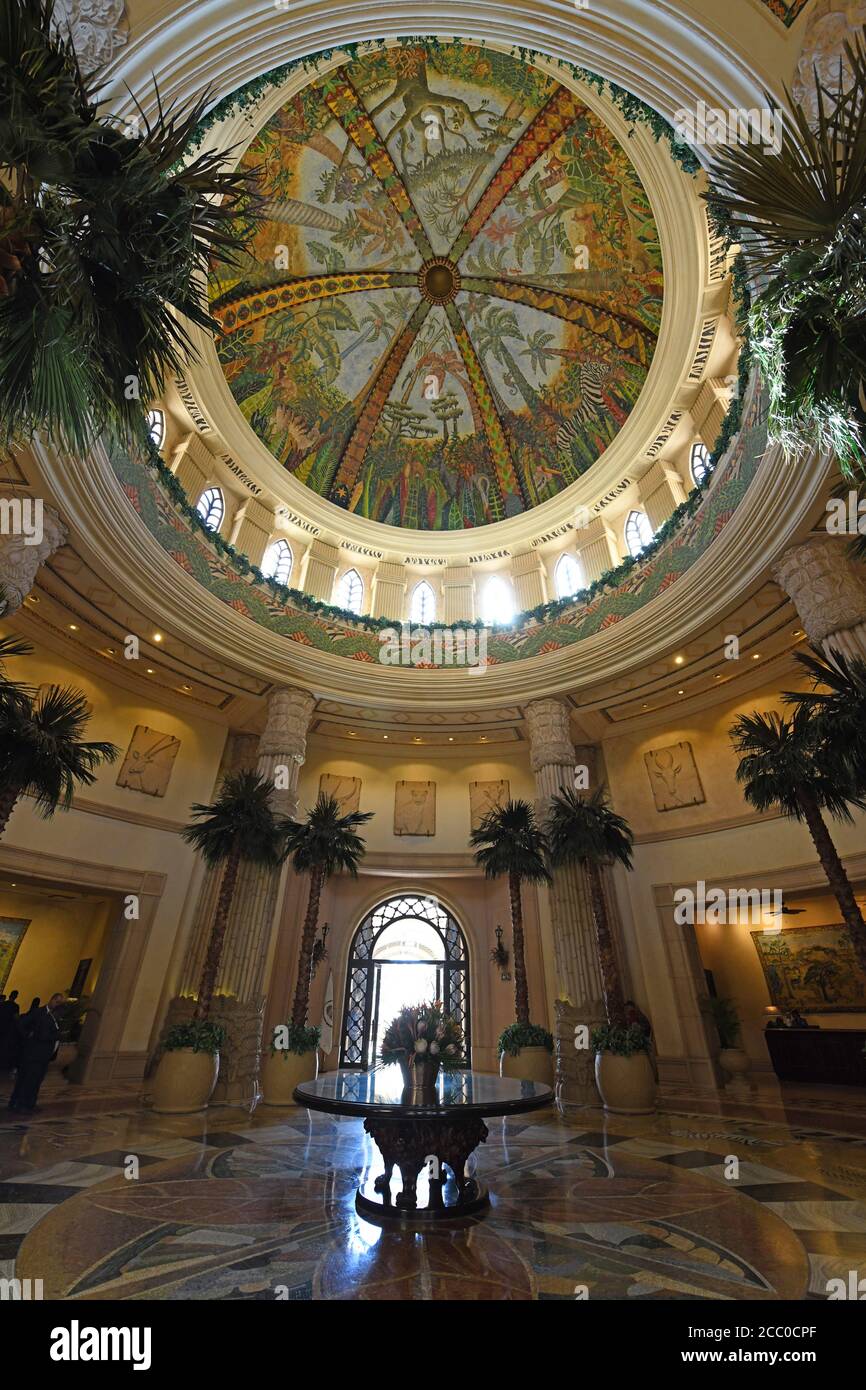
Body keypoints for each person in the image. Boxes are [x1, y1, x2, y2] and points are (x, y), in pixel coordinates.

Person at [7, 993, 64, 1114]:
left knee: (36, 1080)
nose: (57, 1005)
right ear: (52, 999)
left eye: (60, 1003)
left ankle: (30, 1103)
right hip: (33, 1054)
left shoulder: (55, 1018)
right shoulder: (38, 1012)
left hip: (43, 1056)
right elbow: (21, 1023)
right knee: (26, 1079)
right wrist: (27, 1036)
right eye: (57, 1002)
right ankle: (19, 1103)